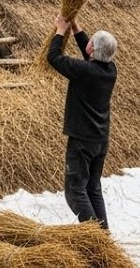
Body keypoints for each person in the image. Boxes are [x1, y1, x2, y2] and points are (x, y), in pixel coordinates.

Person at [47, 16, 118, 232]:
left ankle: (95, 239)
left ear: (92, 50)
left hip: (82, 142)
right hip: (100, 140)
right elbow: (90, 53)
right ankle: (104, 236)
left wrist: (60, 31)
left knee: (75, 191)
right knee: (93, 188)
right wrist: (76, 28)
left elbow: (54, 58)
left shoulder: (85, 71)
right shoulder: (109, 70)